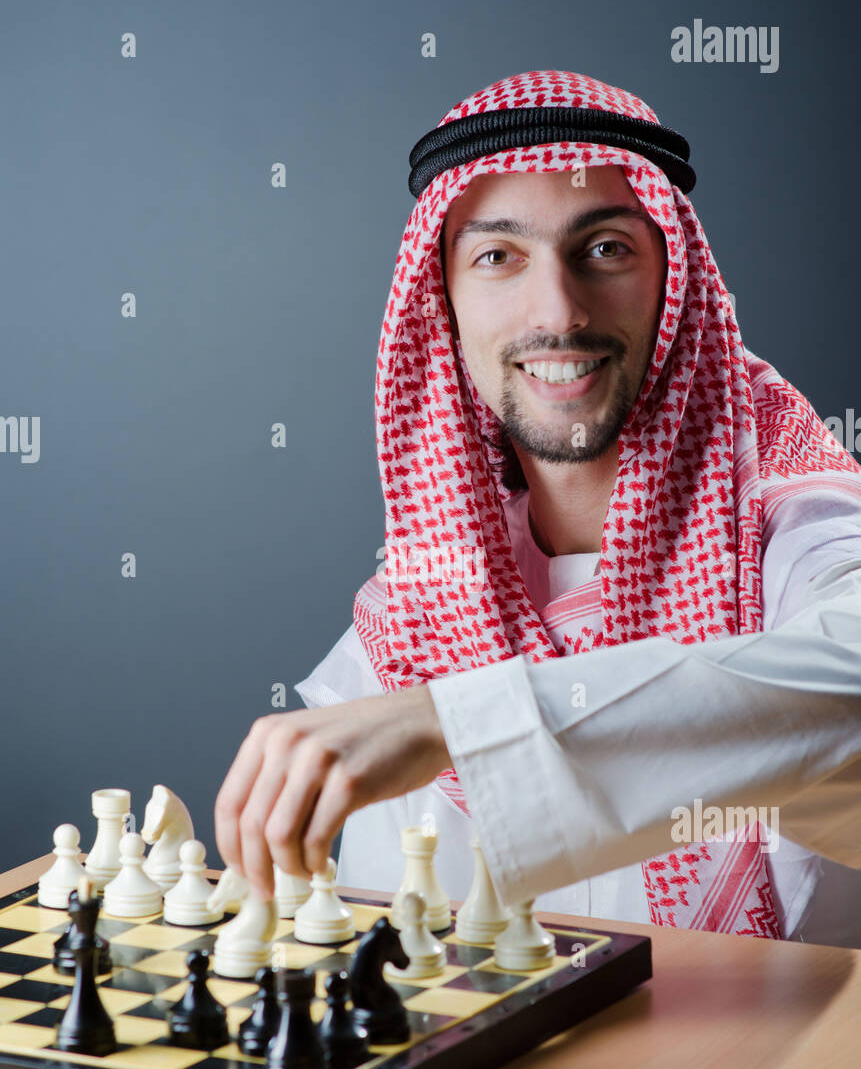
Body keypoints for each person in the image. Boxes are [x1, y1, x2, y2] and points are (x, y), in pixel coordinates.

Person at [214, 70, 861, 947]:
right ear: (440, 303)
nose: (557, 310)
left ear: (674, 281)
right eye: (497, 256)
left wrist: (453, 722)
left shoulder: (796, 527)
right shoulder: (410, 622)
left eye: (604, 249)